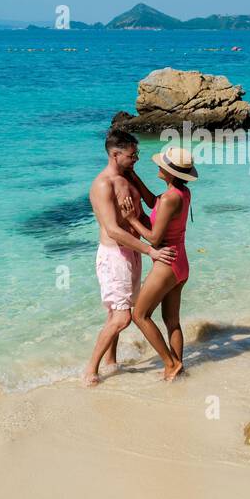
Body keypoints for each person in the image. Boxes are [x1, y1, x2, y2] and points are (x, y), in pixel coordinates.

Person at [84, 129, 175, 386]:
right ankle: (90, 370)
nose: (136, 159)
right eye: (132, 155)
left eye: (137, 154)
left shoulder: (128, 178)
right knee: (123, 318)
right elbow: (112, 228)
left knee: (116, 313)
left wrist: (157, 238)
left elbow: (144, 211)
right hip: (115, 256)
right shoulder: (104, 184)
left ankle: (111, 362)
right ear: (115, 154)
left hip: (133, 252)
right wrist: (150, 250)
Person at [126, 146, 197, 382]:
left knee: (140, 315)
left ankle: (171, 363)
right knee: (172, 321)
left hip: (167, 262)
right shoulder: (181, 193)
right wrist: (134, 177)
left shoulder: (169, 198)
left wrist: (131, 220)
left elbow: (155, 238)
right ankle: (177, 368)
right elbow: (153, 203)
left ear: (170, 172)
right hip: (181, 263)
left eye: (162, 165)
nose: (158, 166)